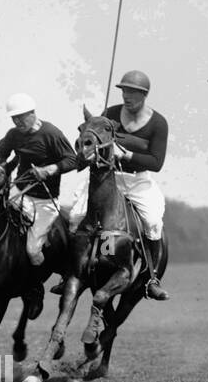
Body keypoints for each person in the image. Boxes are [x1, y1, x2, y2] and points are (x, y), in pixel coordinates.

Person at [44, 69, 170, 300]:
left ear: (144, 95)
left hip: (136, 181)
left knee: (152, 222)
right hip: (105, 179)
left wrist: (127, 155)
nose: (126, 96)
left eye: (132, 92)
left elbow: (156, 162)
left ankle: (152, 278)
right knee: (75, 217)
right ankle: (70, 273)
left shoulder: (158, 123)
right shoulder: (109, 114)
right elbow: (92, 140)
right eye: (124, 91)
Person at [0, 93, 76, 314]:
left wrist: (50, 169)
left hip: (45, 201)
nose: (17, 122)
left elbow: (73, 159)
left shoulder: (51, 133)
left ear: (32, 113)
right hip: (19, 192)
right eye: (14, 118)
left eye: (21, 117)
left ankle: (34, 287)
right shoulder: (13, 135)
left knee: (32, 250)